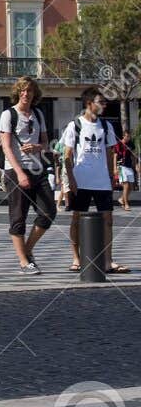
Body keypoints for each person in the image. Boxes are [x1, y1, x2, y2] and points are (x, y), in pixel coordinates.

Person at [63, 87, 126, 275]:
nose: (104, 105)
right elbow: (67, 155)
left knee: (108, 219)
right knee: (77, 218)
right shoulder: (74, 125)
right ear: (89, 104)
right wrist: (71, 180)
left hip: (101, 181)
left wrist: (111, 176)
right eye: (101, 102)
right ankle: (76, 258)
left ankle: (108, 260)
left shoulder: (106, 126)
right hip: (80, 179)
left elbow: (109, 153)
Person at [0, 75, 55, 276]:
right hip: (16, 170)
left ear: (34, 93)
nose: (26, 94)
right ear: (17, 93)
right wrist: (20, 173)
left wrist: (38, 147)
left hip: (38, 169)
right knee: (18, 217)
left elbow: (46, 143)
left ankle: (28, 249)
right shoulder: (8, 115)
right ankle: (24, 261)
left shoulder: (38, 114)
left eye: (29, 90)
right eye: (22, 90)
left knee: (49, 210)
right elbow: (6, 146)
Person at [118, 134, 135, 212]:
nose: (128, 138)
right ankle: (126, 204)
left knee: (131, 187)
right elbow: (115, 155)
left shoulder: (131, 144)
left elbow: (133, 156)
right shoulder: (119, 144)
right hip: (122, 166)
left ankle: (121, 199)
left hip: (129, 167)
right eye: (127, 136)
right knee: (126, 186)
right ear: (123, 136)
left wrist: (135, 166)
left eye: (129, 136)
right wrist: (115, 168)